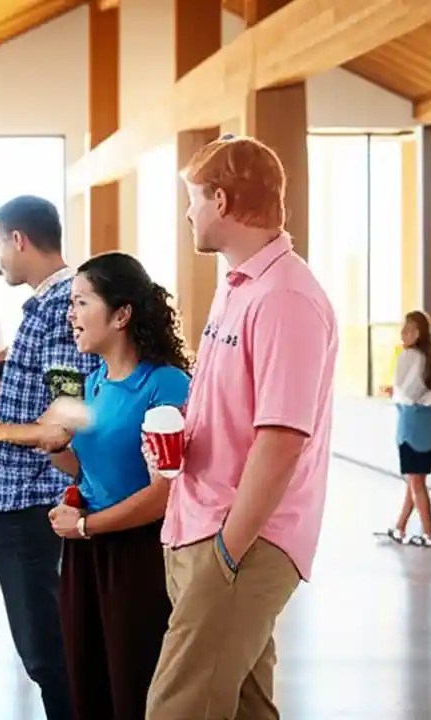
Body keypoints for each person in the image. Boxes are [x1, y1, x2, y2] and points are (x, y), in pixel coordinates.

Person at [146, 135, 338, 719]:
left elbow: (282, 440)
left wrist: (228, 550)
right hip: (206, 527)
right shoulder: (238, 288)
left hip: (242, 539)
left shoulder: (286, 298)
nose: (188, 213)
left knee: (177, 708)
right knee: (247, 707)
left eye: (194, 200)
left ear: (222, 201)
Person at [0, 195, 96, 720]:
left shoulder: (62, 304)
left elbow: (68, 415)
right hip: (24, 497)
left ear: (18, 239)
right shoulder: (54, 301)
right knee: (45, 646)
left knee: (47, 650)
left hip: (34, 500)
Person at [44, 252, 189, 720]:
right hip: (86, 554)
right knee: (88, 686)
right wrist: (53, 446)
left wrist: (87, 525)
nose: (72, 315)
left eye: (82, 302)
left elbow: (166, 492)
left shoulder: (166, 385)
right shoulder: (94, 383)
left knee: (134, 687)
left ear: (121, 314)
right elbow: (87, 468)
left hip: (139, 557)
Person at [380, 309, 431, 547]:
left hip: (411, 424)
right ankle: (400, 527)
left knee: (416, 484)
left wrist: (392, 392)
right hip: (428, 423)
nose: (402, 333)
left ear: (417, 334)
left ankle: (428, 534)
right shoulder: (429, 358)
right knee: (415, 481)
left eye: (407, 329)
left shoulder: (408, 357)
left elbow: (406, 393)